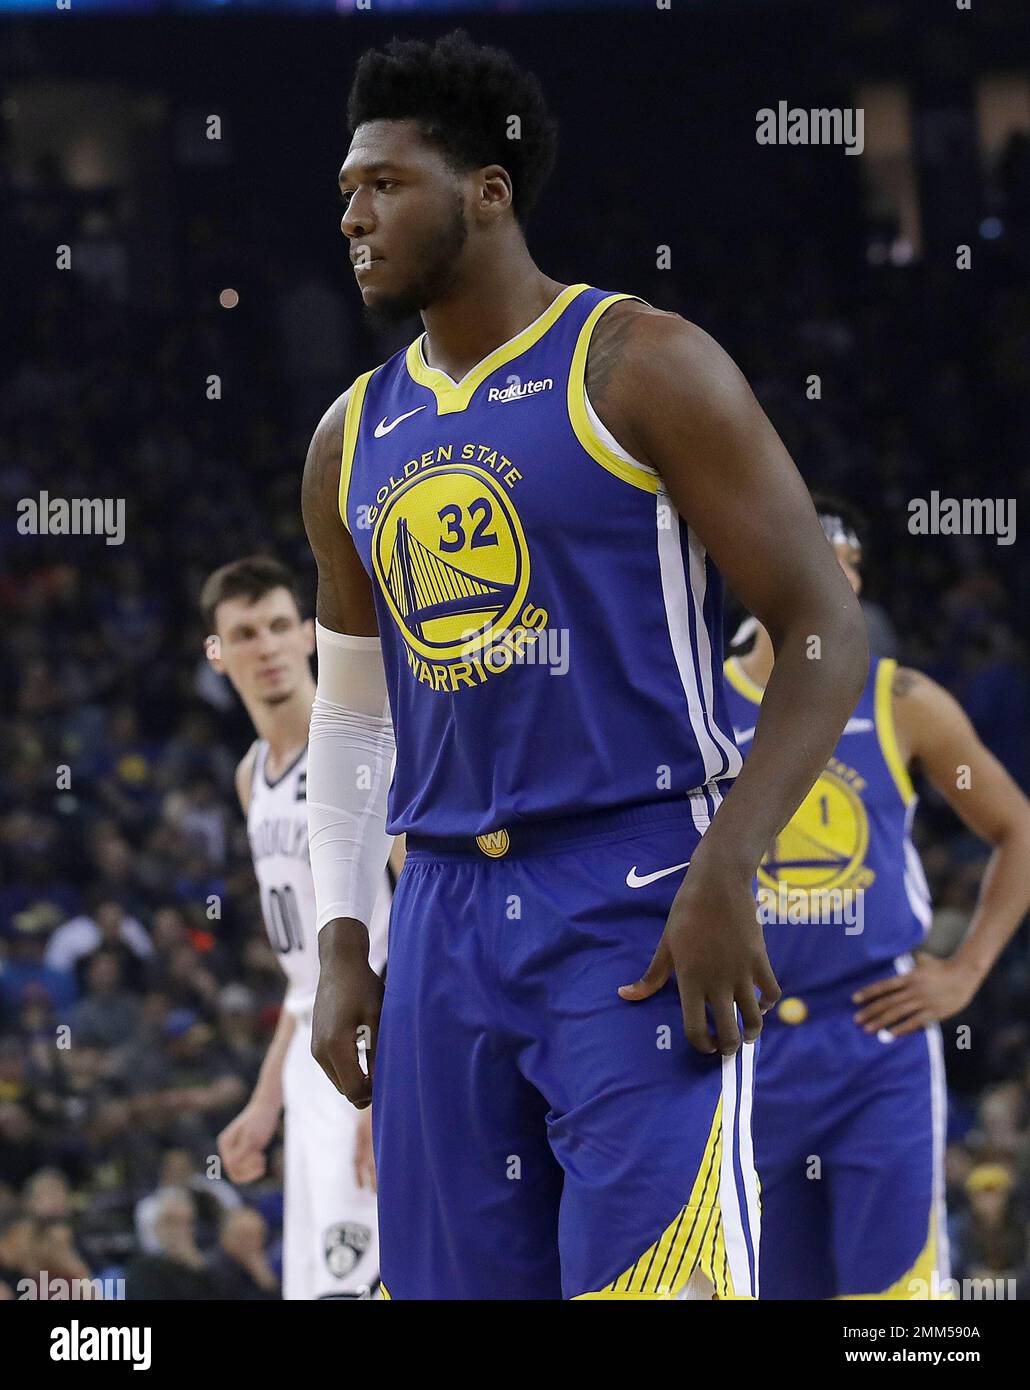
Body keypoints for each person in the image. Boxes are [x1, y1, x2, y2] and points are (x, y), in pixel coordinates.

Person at [303, 31, 867, 1300]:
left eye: (384, 183)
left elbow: (824, 627)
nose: (351, 213)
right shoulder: (351, 434)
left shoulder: (642, 362)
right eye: (346, 188)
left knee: (657, 1284)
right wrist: (346, 938)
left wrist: (729, 862)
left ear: (487, 192)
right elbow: (349, 719)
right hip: (441, 907)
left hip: (635, 889)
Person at [723, 496, 1030, 1299]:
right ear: (760, 573)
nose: (846, 582)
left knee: (898, 1305)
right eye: (831, 561)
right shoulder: (696, 707)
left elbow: (1016, 829)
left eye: (856, 567)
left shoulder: (902, 701)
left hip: (873, 1036)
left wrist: (965, 973)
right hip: (743, 1048)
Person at [201, 556, 395, 1299]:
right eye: (243, 634)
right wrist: (265, 1097)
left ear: (311, 634)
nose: (268, 647)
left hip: (377, 1051)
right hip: (315, 1061)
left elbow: (423, 909)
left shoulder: (363, 749)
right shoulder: (253, 773)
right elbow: (303, 979)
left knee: (373, 1280)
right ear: (217, 655)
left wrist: (392, 1090)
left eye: (282, 626)